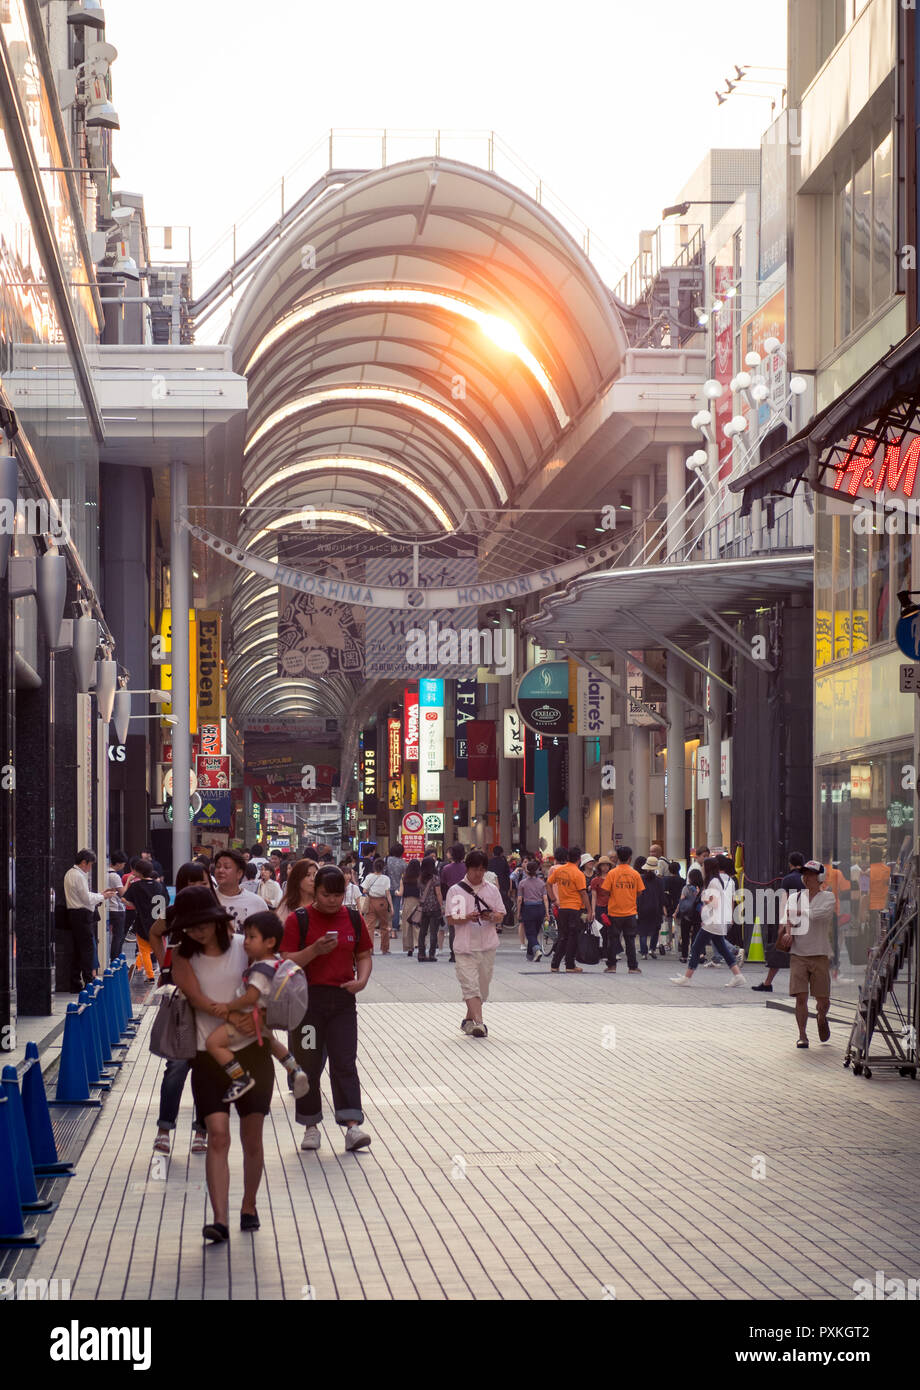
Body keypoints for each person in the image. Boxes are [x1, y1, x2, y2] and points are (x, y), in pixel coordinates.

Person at [169, 886, 274, 1241]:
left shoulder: (247, 947)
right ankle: (219, 1219)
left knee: (252, 1137)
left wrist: (256, 1013)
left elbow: (272, 983)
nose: (197, 931)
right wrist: (229, 1012)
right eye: (189, 926)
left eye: (202, 923)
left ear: (218, 919)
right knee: (217, 1136)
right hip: (208, 1056)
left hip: (253, 1052)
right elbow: (197, 998)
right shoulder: (183, 958)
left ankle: (248, 1204)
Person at [281, 865, 373, 1152]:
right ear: (315, 891)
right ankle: (310, 1125)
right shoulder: (299, 920)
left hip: (343, 1002)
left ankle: (352, 1126)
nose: (333, 900)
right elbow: (286, 960)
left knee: (344, 1062)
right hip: (307, 1003)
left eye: (338, 894)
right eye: (326, 894)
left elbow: (364, 953)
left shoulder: (354, 919)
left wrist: (362, 980)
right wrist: (314, 951)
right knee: (307, 1064)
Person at [204, 912, 309, 1101]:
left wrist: (228, 1007)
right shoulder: (277, 963)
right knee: (273, 1044)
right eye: (246, 935)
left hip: (248, 1019)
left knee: (213, 1043)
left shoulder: (259, 970)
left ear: (269, 942)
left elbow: (251, 997)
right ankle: (295, 1069)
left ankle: (240, 1078)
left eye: (252, 937)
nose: (246, 941)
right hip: (263, 1019)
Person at [444, 849, 505, 1036]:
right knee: (470, 986)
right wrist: (466, 917)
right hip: (464, 946)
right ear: (467, 868)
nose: (478, 873)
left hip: (487, 945)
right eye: (475, 869)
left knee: (482, 990)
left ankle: (468, 1020)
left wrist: (492, 916)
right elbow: (450, 919)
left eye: (481, 870)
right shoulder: (455, 890)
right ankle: (479, 1023)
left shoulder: (492, 890)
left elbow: (501, 915)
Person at [671, 857, 744, 986]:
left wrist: (704, 899)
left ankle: (687, 977)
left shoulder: (713, 882)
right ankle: (737, 975)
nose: (702, 868)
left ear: (708, 867)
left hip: (712, 921)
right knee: (722, 949)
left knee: (696, 947)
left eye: (704, 866)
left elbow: (714, 903)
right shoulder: (717, 881)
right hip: (716, 921)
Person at [786, 860, 835, 1048]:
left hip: (820, 953)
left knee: (822, 998)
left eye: (811, 875)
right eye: (805, 874)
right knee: (800, 997)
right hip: (798, 953)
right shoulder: (795, 897)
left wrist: (801, 911)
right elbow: (788, 918)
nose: (807, 878)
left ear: (820, 878)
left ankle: (821, 1015)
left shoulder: (828, 897)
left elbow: (820, 915)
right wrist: (788, 934)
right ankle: (802, 1035)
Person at [64, 849, 117, 992]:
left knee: (77, 950)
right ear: (83, 863)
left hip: (74, 914)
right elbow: (86, 899)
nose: (90, 868)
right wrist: (103, 897)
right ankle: (89, 980)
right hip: (82, 915)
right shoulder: (79, 876)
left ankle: (75, 983)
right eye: (90, 864)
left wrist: (100, 894)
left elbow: (85, 895)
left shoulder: (70, 873)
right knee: (87, 949)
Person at [752, 852, 804, 993]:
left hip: (790, 919)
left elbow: (784, 902)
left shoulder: (787, 879)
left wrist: (782, 923)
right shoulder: (807, 878)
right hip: (805, 920)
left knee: (780, 951)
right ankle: (802, 986)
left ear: (790, 864)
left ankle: (768, 983)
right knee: (802, 954)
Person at [547, 847, 591, 973]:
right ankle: (570, 965)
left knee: (563, 936)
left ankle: (555, 964)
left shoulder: (560, 870)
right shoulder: (578, 874)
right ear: (579, 859)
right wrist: (589, 911)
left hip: (562, 908)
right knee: (573, 937)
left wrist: (554, 899)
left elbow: (548, 884)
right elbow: (583, 894)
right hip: (576, 909)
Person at [601, 848, 644, 974]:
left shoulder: (612, 873)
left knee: (613, 940)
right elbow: (640, 892)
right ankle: (632, 967)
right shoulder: (635, 874)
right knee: (630, 940)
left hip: (614, 912)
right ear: (630, 858)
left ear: (618, 858)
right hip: (630, 912)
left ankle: (611, 966)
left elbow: (605, 891)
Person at [123, 859, 165, 982]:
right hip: (158, 922)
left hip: (142, 922)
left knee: (144, 950)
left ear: (139, 872)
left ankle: (150, 976)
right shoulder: (159, 885)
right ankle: (165, 973)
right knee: (159, 949)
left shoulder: (136, 886)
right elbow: (164, 903)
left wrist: (136, 905)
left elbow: (124, 899)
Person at [212, 849, 266, 931]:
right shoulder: (208, 899)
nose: (220, 870)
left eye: (226, 867)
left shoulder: (257, 903)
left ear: (239, 873)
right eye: (218, 866)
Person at [439, 843, 467, 961]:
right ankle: (464, 951)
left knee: (452, 928)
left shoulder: (446, 868)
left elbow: (443, 883)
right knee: (465, 926)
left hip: (452, 898)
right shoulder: (467, 867)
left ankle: (453, 953)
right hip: (466, 898)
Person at [517, 860, 550, 961]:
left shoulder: (522, 883)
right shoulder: (541, 883)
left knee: (530, 933)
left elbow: (519, 899)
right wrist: (547, 912)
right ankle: (530, 954)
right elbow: (545, 898)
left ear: (526, 871)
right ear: (537, 870)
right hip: (540, 908)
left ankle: (537, 949)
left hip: (528, 908)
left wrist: (518, 912)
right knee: (534, 932)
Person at [361, 857, 394, 952]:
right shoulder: (386, 879)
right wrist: (391, 907)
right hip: (382, 903)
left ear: (374, 867)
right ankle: (385, 948)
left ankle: (370, 949)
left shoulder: (369, 877)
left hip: (371, 902)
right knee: (384, 926)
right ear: (383, 867)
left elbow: (364, 890)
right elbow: (388, 893)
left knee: (370, 926)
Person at [637, 856, 666, 959]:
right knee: (655, 929)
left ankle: (644, 952)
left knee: (642, 931)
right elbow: (662, 896)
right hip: (656, 908)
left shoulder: (640, 879)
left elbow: (637, 894)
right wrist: (663, 908)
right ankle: (652, 949)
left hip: (642, 907)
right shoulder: (659, 881)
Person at [416, 856, 443, 962]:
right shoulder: (435, 878)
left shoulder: (419, 878)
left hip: (423, 908)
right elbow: (438, 893)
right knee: (433, 932)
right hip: (434, 907)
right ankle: (431, 954)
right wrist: (442, 906)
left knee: (422, 932)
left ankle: (421, 954)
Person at [675, 867, 704, 961]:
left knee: (685, 936)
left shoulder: (686, 888)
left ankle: (684, 956)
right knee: (696, 936)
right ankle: (696, 955)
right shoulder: (703, 888)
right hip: (698, 914)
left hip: (686, 914)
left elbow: (681, 901)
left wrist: (676, 912)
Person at [107, 851, 129, 961]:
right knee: (118, 937)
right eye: (123, 864)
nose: (124, 866)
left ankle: (113, 959)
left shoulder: (104, 872)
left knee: (114, 936)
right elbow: (122, 893)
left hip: (109, 908)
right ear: (119, 864)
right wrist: (128, 880)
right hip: (117, 909)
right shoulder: (115, 876)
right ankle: (115, 959)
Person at [398, 858, 422, 954]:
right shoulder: (420, 878)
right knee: (418, 925)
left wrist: (396, 892)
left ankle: (409, 948)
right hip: (418, 903)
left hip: (407, 903)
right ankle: (418, 944)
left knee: (407, 925)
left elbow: (400, 893)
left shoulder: (404, 878)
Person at [662, 860, 685, 954]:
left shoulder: (665, 880)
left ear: (669, 869)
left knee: (667, 925)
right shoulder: (682, 881)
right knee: (678, 926)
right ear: (679, 869)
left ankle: (667, 944)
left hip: (667, 905)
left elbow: (663, 894)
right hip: (678, 905)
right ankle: (677, 944)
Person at [385, 844, 406, 936]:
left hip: (385, 888)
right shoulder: (403, 863)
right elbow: (405, 876)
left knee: (385, 909)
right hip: (398, 888)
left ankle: (385, 927)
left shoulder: (386, 860)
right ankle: (394, 930)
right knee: (396, 909)